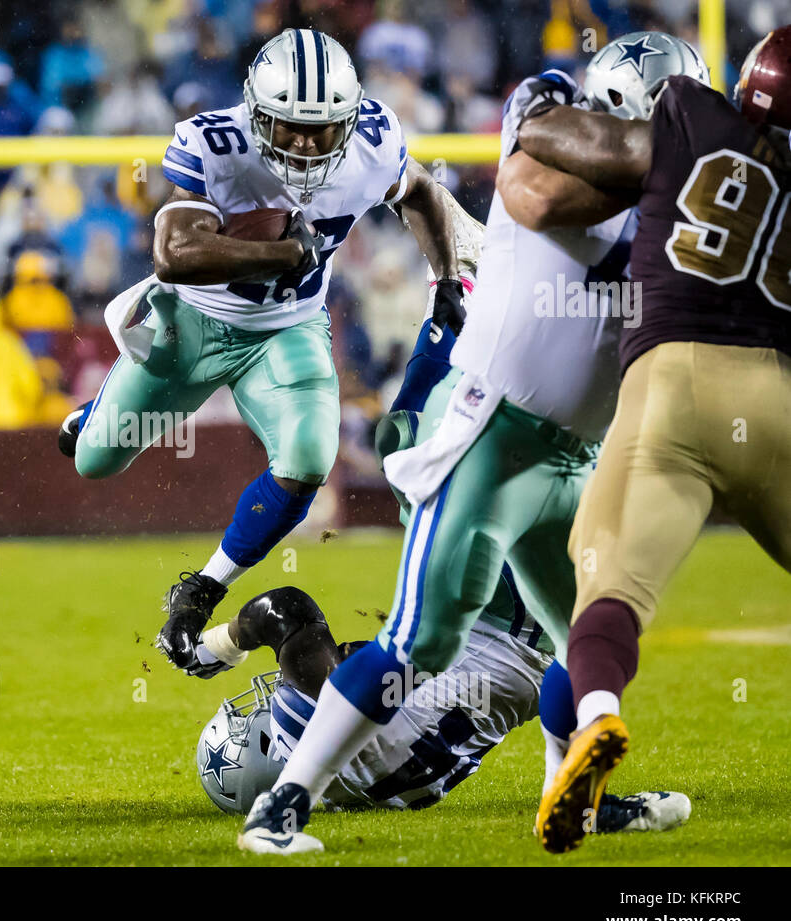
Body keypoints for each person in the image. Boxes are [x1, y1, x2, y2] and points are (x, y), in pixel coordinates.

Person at [238, 35, 708, 853]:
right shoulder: (548, 127)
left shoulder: (675, 202)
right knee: (421, 640)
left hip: (578, 454)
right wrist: (672, 167)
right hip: (497, 438)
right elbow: (540, 176)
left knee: (588, 639)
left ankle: (579, 797)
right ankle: (282, 803)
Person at [58, 29, 467, 677]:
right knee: (94, 461)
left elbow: (418, 193)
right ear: (255, 113)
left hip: (288, 328)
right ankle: (98, 402)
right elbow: (173, 253)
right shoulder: (217, 142)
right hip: (193, 321)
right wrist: (283, 253)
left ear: (350, 120)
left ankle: (203, 587)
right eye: (288, 127)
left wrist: (446, 279)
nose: (305, 143)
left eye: (321, 130)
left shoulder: (373, 143)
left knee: (309, 456)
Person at [514, 26, 791, 852]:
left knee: (607, 584)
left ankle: (598, 718)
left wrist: (534, 111)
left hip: (668, 385)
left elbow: (573, 141)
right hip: (773, 398)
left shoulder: (693, 119)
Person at [196, 586, 690, 836]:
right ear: (259, 753)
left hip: (536, 681)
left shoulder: (371, 793)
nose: (257, 707)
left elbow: (382, 674)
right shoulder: (315, 732)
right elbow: (284, 608)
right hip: (502, 633)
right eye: (245, 724)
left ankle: (581, 795)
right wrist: (218, 645)